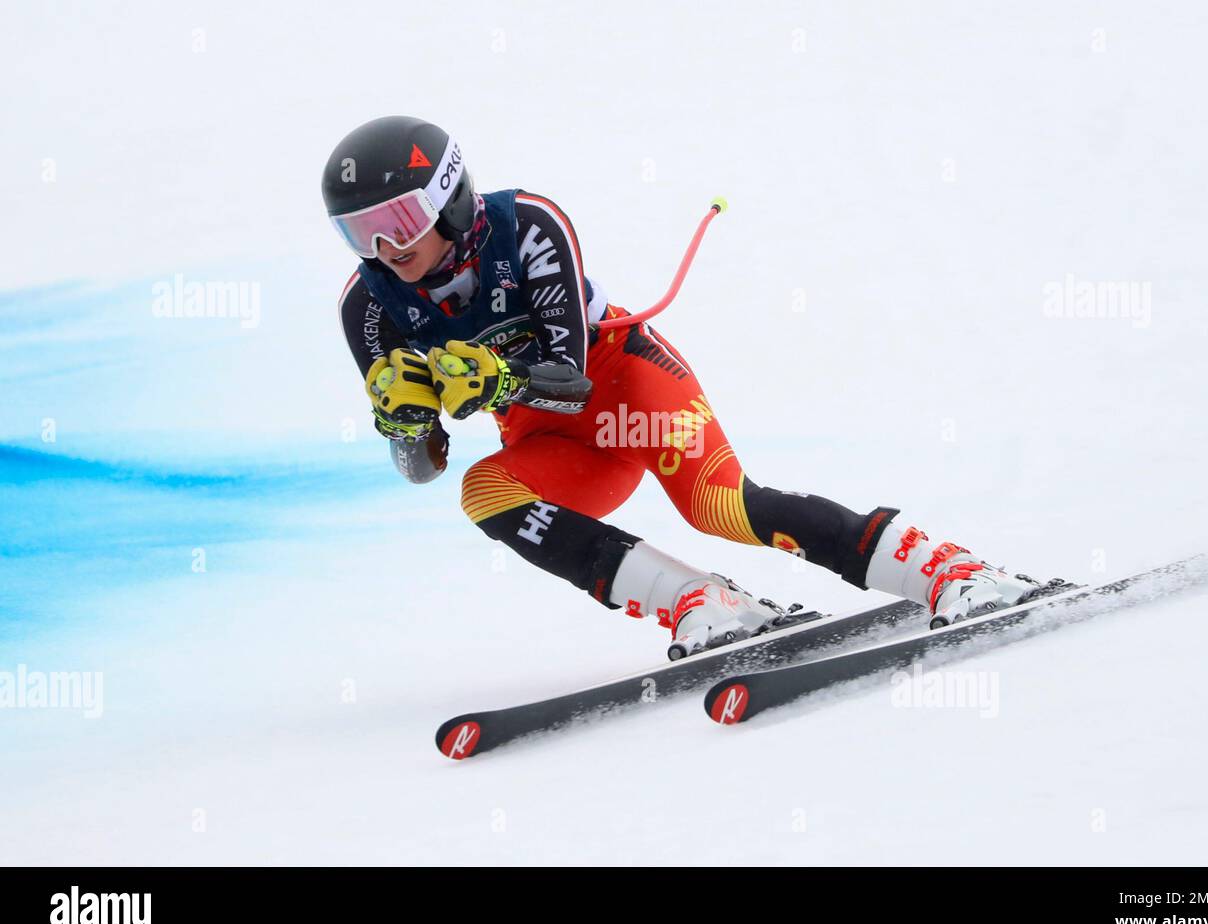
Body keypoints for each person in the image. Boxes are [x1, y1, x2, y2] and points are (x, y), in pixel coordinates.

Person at [323, 116, 1048, 658]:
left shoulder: (530, 226)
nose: (387, 249)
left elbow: (572, 381)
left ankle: (947, 569)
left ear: (449, 199)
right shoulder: (366, 307)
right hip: (553, 441)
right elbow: (419, 467)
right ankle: (700, 599)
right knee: (482, 491)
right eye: (360, 234)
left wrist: (498, 375)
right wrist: (404, 425)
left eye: (398, 221)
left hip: (626, 392)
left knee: (722, 505)